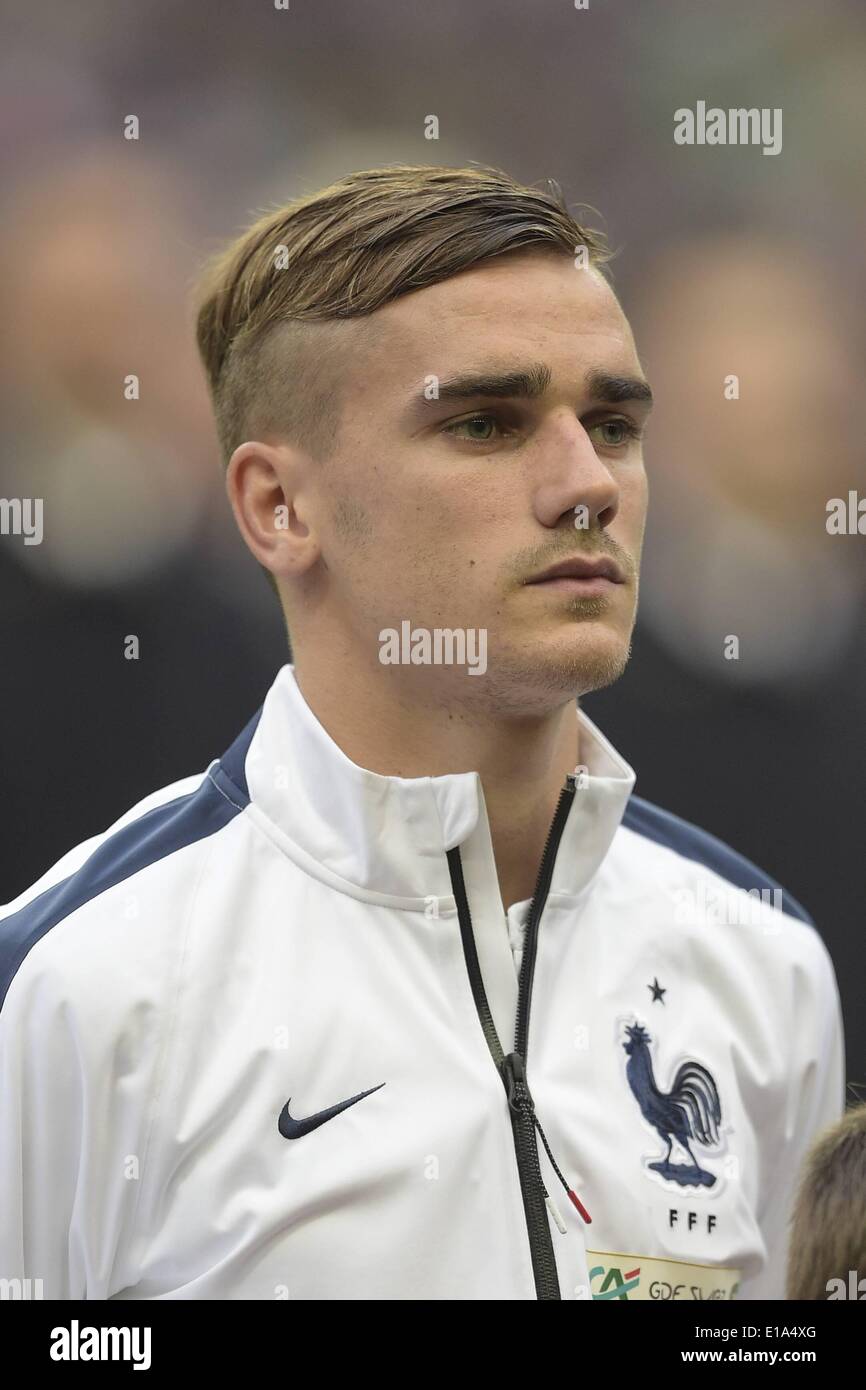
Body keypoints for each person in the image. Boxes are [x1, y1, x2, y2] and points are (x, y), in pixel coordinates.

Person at [0, 164, 845, 1301]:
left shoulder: (762, 960)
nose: (586, 482)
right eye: (486, 423)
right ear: (276, 507)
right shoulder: (68, 987)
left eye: (611, 422)